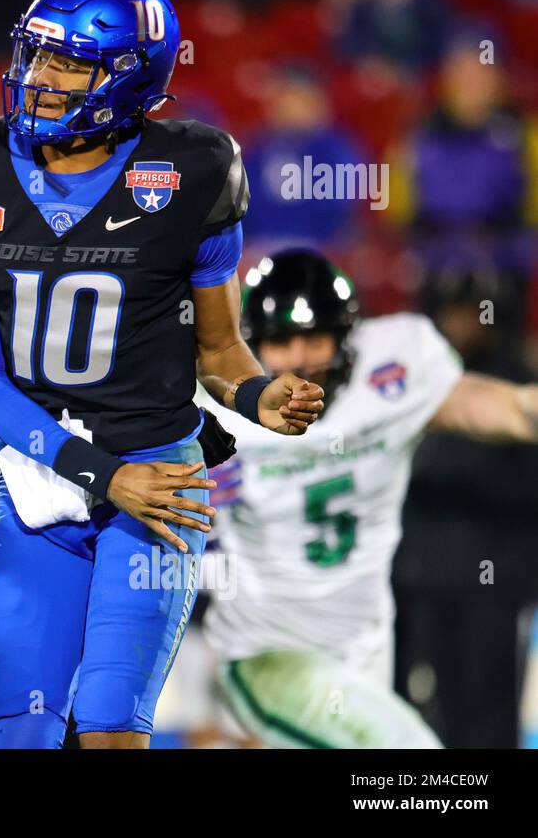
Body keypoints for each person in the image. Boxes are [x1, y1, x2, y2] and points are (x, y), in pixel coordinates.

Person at [0, 0, 324, 749]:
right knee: (23, 733)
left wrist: (256, 394)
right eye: (34, 55)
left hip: (161, 478)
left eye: (67, 62)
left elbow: (219, 350)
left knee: (108, 732)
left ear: (129, 77)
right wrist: (101, 476)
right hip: (41, 478)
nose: (39, 78)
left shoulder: (193, 170)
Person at [201, 249, 538, 748]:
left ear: (345, 339)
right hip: (266, 654)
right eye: (280, 342)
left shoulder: (393, 371)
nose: (297, 360)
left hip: (365, 654)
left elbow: (502, 408)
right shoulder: (219, 409)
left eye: (313, 338)